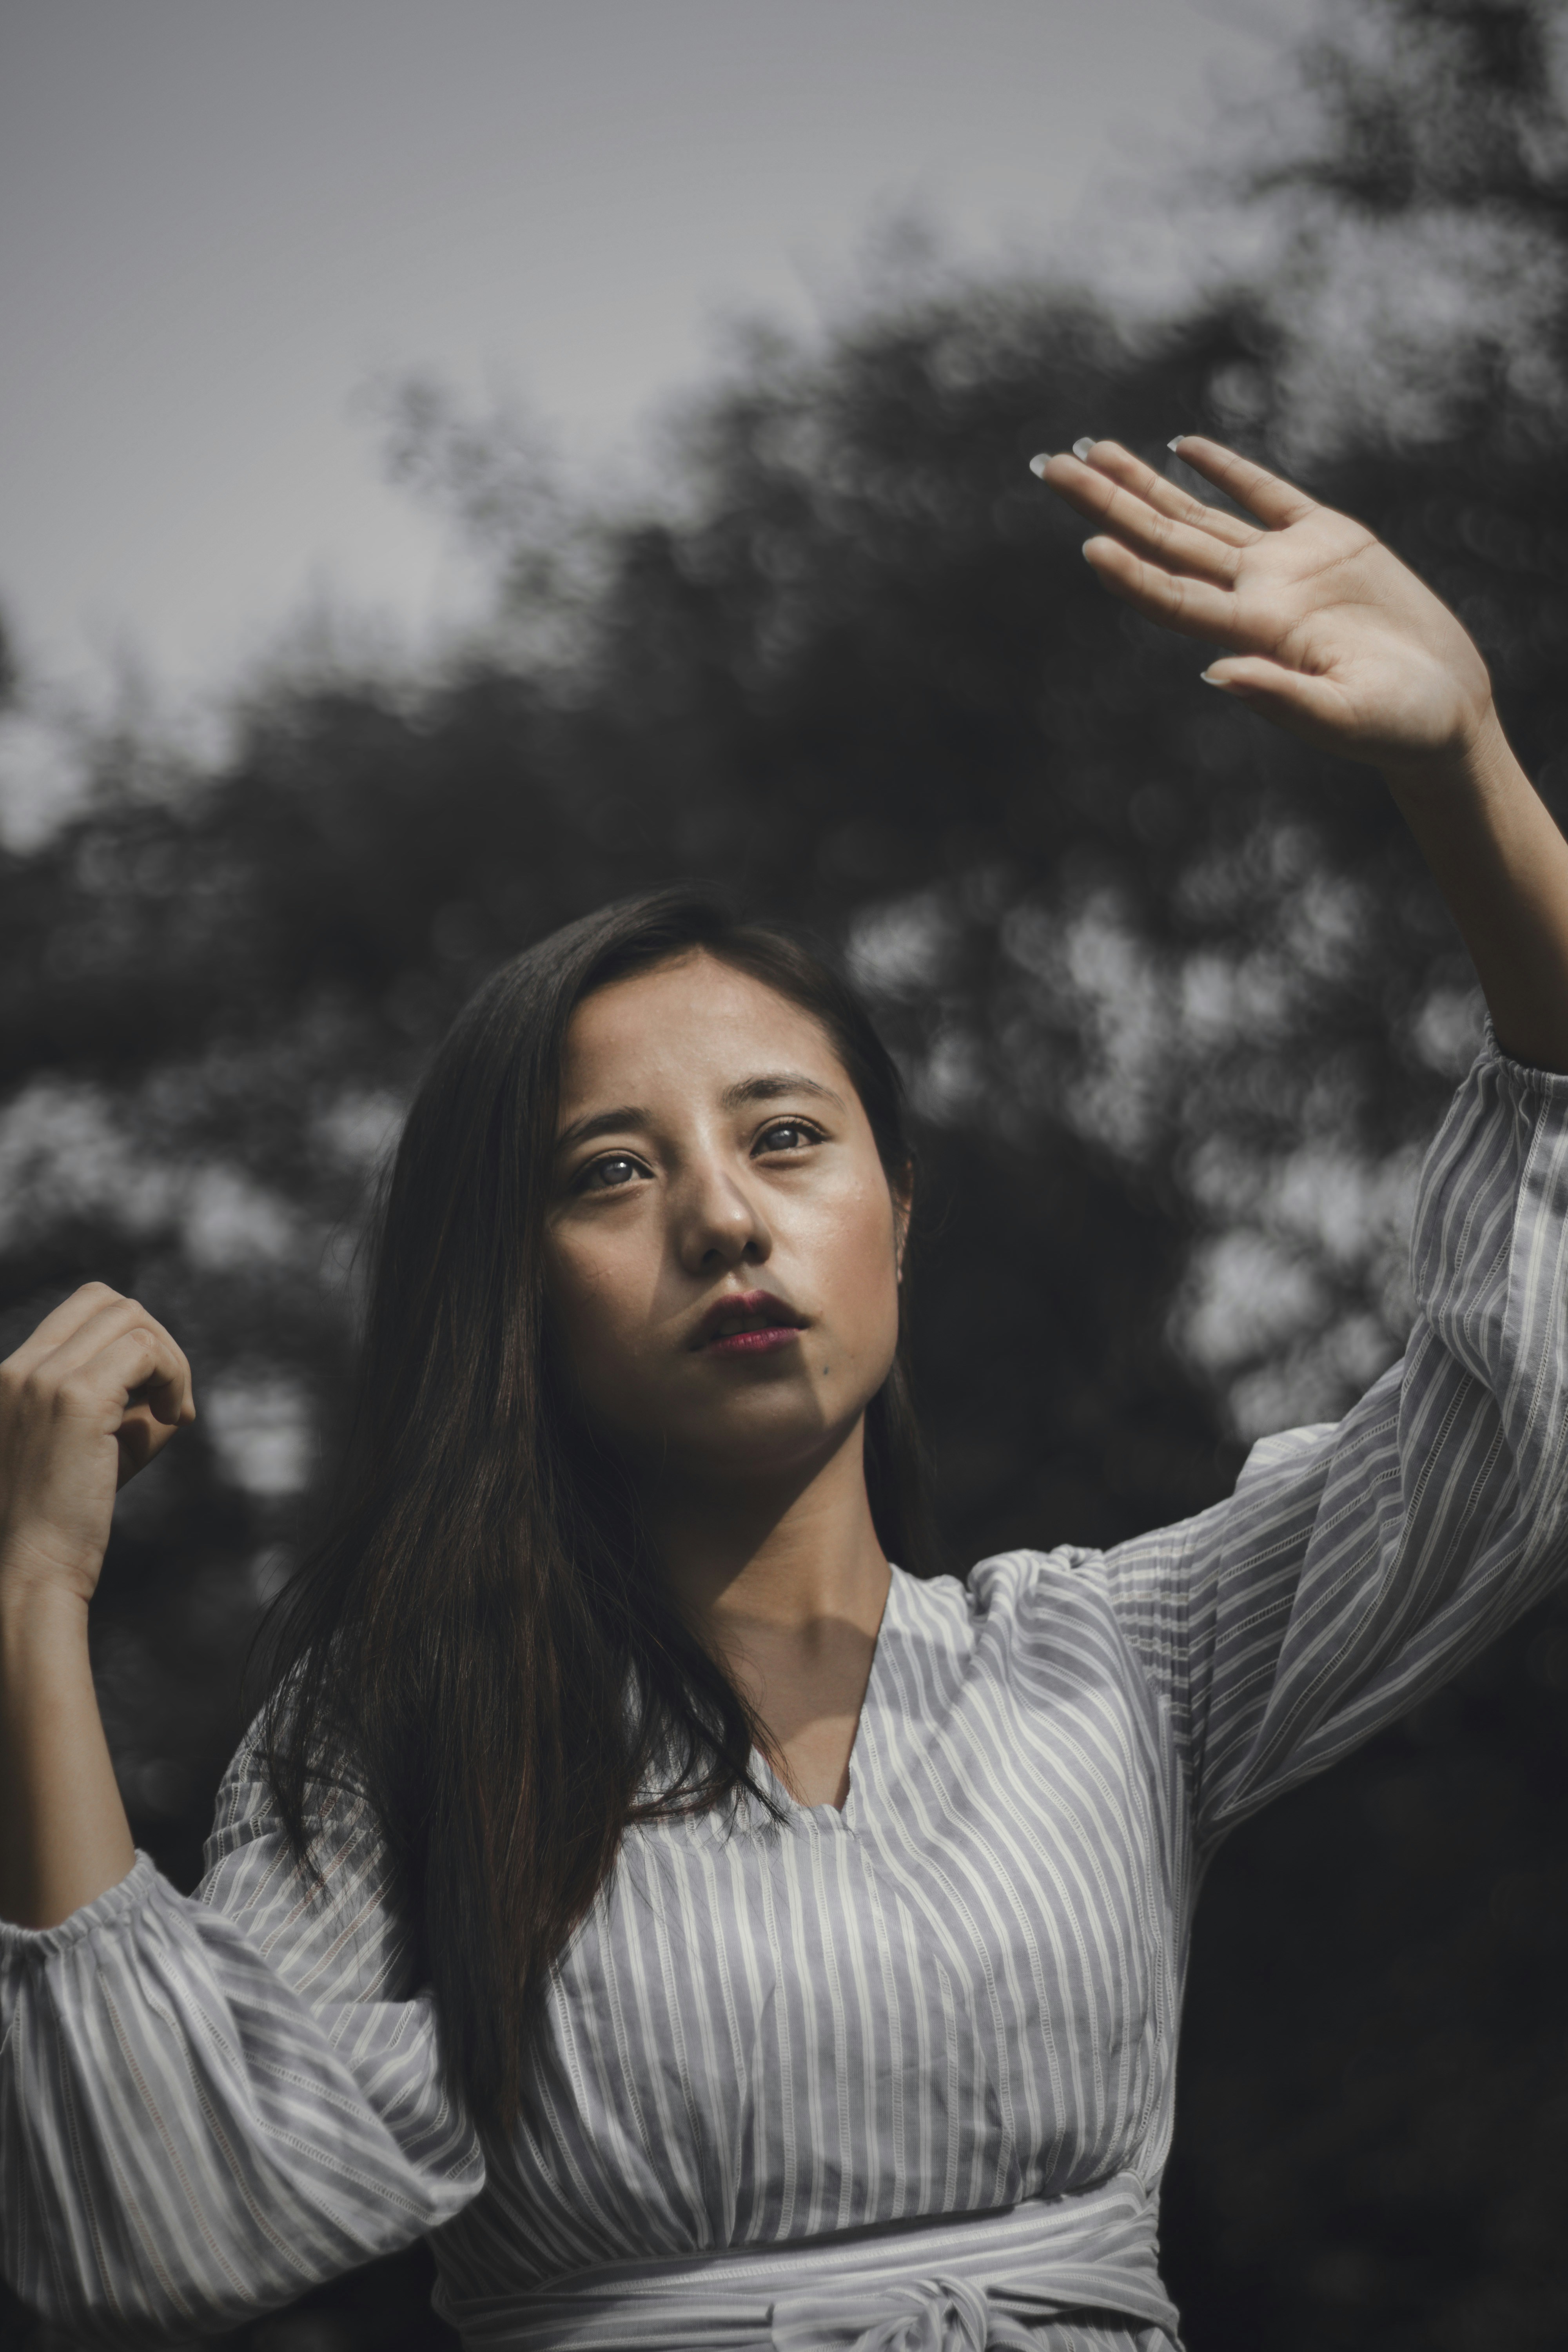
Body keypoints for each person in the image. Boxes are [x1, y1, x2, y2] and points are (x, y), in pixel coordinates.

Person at [3, 434, 1567, 2352]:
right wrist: (29, 1591)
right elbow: (149, 2223)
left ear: (894, 1222)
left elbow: (1518, 1415)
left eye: (786, 1138)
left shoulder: (1108, 1665)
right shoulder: (412, 1728)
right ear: (510, 1284)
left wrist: (1464, 767)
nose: (726, 1217)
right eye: (612, 1170)